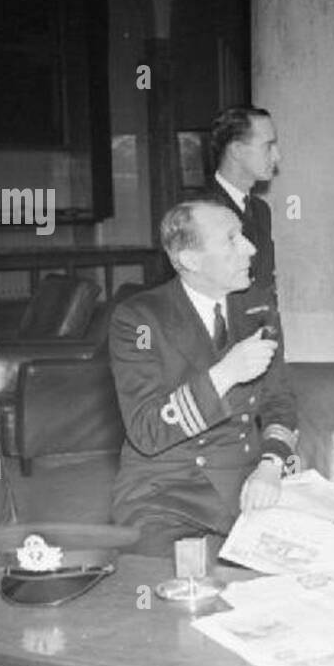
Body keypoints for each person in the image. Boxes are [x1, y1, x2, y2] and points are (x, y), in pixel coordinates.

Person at [109, 200, 297, 557]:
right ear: (191, 260)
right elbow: (147, 430)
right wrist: (226, 373)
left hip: (247, 484)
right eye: (232, 239)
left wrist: (271, 466)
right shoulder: (138, 319)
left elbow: (279, 401)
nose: (250, 248)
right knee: (179, 581)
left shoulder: (257, 306)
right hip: (166, 492)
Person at [204, 105, 282, 299]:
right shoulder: (203, 210)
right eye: (268, 146)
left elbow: (265, 283)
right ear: (237, 151)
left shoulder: (260, 209)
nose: (277, 156)